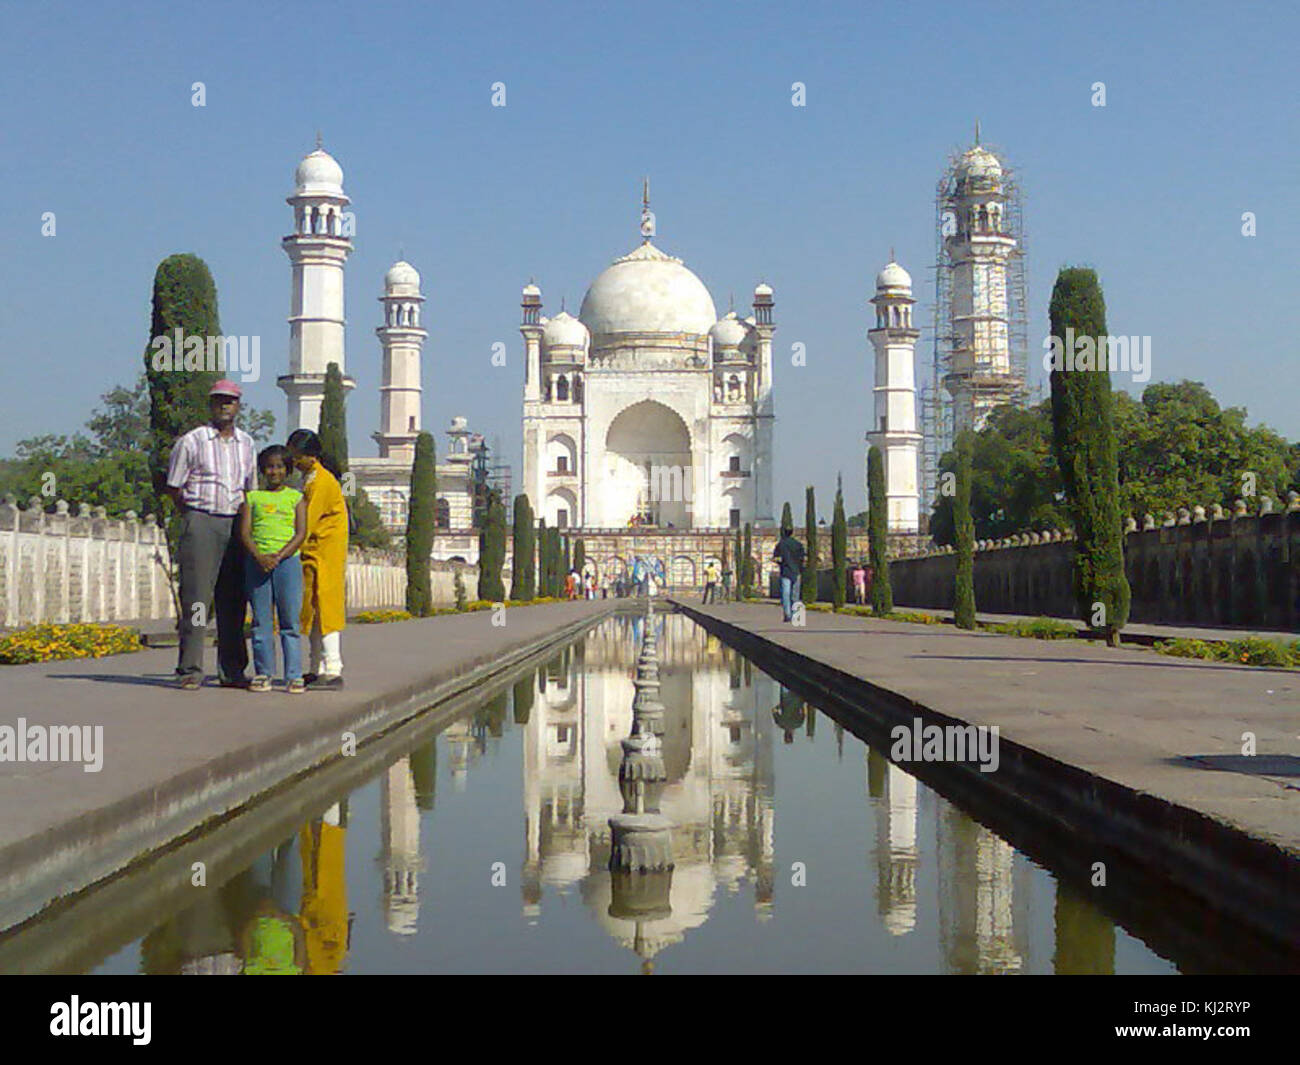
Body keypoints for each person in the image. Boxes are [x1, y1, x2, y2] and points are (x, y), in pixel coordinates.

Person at [166, 380, 257, 690]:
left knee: (233, 600)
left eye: (230, 401)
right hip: (202, 519)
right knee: (197, 599)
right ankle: (190, 668)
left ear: (238, 406)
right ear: (211, 404)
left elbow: (250, 490)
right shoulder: (192, 441)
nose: (224, 406)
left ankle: (232, 670)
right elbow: (174, 486)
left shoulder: (247, 443)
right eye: (219, 400)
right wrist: (192, 516)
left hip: (235, 522)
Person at [239, 445, 308, 694]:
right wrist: (259, 556)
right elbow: (245, 533)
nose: (274, 471)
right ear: (262, 470)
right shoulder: (253, 498)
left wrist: (279, 556)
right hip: (258, 563)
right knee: (261, 621)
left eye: (279, 467)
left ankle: (294, 675)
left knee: (289, 622)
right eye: (269, 467)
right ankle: (263, 673)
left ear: (287, 470)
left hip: (287, 563)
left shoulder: (296, 498)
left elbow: (301, 533)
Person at [286, 429, 348, 691]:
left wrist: (284, 547)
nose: (294, 462)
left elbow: (307, 522)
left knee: (327, 609)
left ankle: (333, 668)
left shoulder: (322, 482)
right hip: (313, 552)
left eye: (296, 456)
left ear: (310, 456)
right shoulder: (309, 479)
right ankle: (315, 668)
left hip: (326, 552)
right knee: (312, 610)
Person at [771, 522, 806, 623]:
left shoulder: (780, 544)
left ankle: (787, 615)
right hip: (796, 571)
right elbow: (803, 558)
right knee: (795, 595)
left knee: (786, 594)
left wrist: (780, 562)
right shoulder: (798, 545)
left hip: (785, 571)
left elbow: (776, 558)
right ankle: (796, 615)